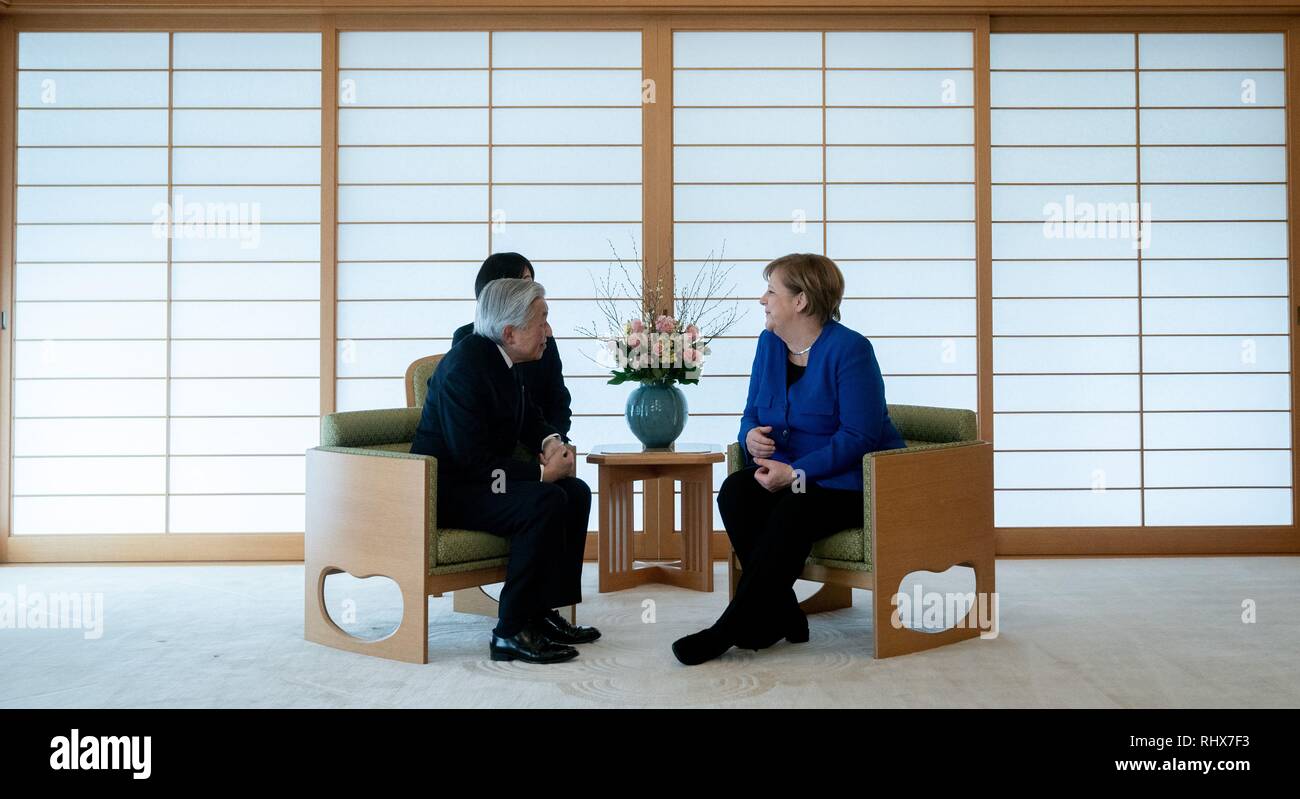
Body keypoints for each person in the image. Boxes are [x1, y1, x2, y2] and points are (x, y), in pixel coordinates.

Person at [672, 253, 905, 666]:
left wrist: (796, 472)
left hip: (850, 482)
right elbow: (751, 413)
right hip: (786, 474)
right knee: (735, 492)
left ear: (800, 301)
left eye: (771, 290)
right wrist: (751, 437)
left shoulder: (851, 349)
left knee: (795, 507)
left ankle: (729, 629)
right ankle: (784, 612)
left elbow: (859, 436)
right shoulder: (769, 344)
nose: (762, 299)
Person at [411, 278, 599, 664]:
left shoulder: (504, 358)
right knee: (545, 500)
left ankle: (542, 612)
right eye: (542, 320)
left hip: (485, 481)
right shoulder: (465, 367)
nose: (548, 331)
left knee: (575, 492)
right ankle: (510, 631)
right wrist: (541, 476)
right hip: (453, 489)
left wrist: (549, 441)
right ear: (510, 331)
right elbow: (471, 461)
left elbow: (527, 416)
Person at [452, 252, 573, 444]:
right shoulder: (469, 346)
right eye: (524, 283)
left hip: (539, 437)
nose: (547, 331)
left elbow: (557, 401)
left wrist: (553, 441)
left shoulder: (542, 336)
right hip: (494, 445)